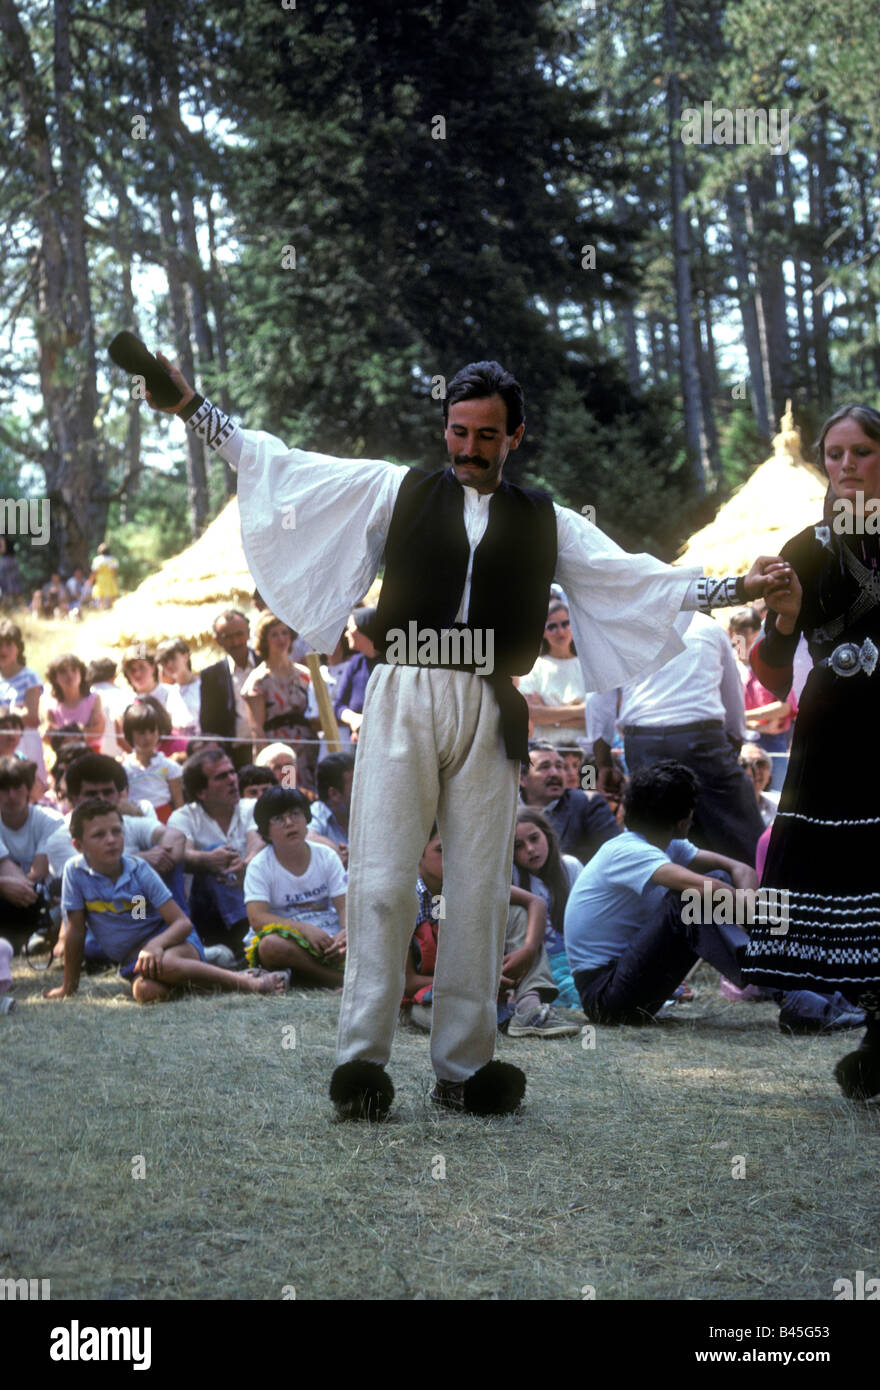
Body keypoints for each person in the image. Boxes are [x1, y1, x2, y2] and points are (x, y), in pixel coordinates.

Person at [146, 352, 790, 1120]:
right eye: (458, 430)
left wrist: (739, 588)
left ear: (515, 436)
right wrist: (192, 407)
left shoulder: (548, 519)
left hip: (490, 703)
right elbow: (275, 464)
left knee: (479, 891)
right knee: (383, 882)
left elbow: (637, 577)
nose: (470, 447)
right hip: (403, 694)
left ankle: (462, 1067)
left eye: (487, 434)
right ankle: (361, 1063)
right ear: (443, 427)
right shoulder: (398, 489)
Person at [743, 403, 880, 1096]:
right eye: (835, 453)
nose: (846, 465)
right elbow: (770, 672)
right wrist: (786, 617)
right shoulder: (803, 550)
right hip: (831, 736)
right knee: (851, 887)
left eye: (861, 451)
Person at [46, 799, 287, 1003]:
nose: (111, 840)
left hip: (174, 943)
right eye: (99, 835)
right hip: (137, 960)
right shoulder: (75, 873)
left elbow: (182, 924)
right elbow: (76, 931)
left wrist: (154, 945)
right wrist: (69, 987)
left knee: (168, 962)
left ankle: (246, 983)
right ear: (78, 845)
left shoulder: (139, 870)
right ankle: (205, 983)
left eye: (116, 831)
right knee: (145, 992)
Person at [589, 610, 764, 865]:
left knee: (654, 838)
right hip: (699, 739)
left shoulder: (619, 625)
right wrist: (731, 746)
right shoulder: (709, 626)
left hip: (646, 742)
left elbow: (599, 700)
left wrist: (603, 763)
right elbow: (733, 698)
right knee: (741, 836)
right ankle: (760, 895)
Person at [404, 826, 579, 1041]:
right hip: (435, 993)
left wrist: (528, 950)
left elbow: (535, 902)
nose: (452, 858)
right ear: (416, 853)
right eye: (442, 850)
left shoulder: (464, 881)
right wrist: (478, 980)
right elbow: (409, 982)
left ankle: (528, 1005)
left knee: (516, 913)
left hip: (479, 981)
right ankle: (500, 1014)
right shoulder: (405, 898)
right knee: (446, 1018)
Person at [242, 785, 347, 985]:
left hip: (328, 932)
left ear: (306, 818)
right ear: (266, 830)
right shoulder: (259, 866)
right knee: (270, 947)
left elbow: (344, 905)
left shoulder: (326, 855)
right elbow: (257, 918)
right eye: (278, 819)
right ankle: (334, 978)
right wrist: (303, 930)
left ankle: (303, 975)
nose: (289, 823)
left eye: (295, 814)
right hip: (288, 935)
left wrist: (346, 932)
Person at [167, 747, 260, 949]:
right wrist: (206, 859)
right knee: (215, 851)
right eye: (221, 777)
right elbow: (179, 852)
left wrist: (247, 863)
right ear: (201, 792)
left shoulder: (250, 807)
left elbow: (257, 839)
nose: (232, 780)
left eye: (232, 772)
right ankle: (247, 942)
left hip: (252, 900)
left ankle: (245, 940)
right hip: (204, 914)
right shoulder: (184, 817)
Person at [513, 807, 583, 1009]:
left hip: (576, 956)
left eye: (534, 838)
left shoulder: (570, 867)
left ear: (548, 835)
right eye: (518, 846)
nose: (530, 849)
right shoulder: (515, 878)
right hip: (541, 963)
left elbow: (588, 918)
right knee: (569, 990)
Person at [241, 611, 320, 792]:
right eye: (274, 634)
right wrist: (265, 765)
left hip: (306, 746)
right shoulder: (258, 680)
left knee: (309, 793)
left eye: (284, 633)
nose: (281, 639)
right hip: (279, 749)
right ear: (264, 640)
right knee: (287, 792)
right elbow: (257, 728)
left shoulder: (304, 674)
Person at [519, 741, 620, 864]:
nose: (555, 773)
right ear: (522, 779)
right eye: (544, 767)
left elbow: (614, 856)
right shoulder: (508, 811)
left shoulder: (588, 804)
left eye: (559, 766)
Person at [517, 599, 587, 746]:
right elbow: (532, 713)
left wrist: (550, 715)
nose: (560, 631)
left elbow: (596, 714)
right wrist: (580, 710)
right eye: (552, 626)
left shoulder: (587, 667)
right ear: (543, 632)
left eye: (565, 623)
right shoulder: (533, 668)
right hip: (547, 749)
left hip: (583, 749)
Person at [199, 610, 258, 770]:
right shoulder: (211, 676)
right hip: (235, 755)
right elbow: (208, 726)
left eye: (239, 634)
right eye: (228, 637)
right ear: (217, 640)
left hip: (270, 750)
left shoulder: (266, 664)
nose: (236, 641)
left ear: (248, 633)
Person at [0, 619, 48, 786]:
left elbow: (31, 717)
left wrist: (5, 714)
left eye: (8, 644)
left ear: (18, 648)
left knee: (29, 785)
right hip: (1, 744)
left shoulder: (30, 677)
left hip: (25, 741)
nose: (3, 650)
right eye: (0, 645)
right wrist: (14, 711)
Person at [333, 608, 382, 745]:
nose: (346, 634)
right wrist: (354, 719)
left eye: (351, 628)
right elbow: (339, 706)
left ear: (365, 630)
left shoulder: (392, 665)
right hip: (359, 744)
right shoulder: (356, 664)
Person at [44, 653, 105, 753]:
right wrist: (82, 733)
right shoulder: (51, 706)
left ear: (81, 673)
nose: (70, 675)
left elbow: (97, 731)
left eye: (74, 670)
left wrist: (64, 737)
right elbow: (48, 738)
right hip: (65, 757)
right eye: (63, 672)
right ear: (55, 678)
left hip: (91, 756)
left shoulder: (94, 699)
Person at [155, 638, 202, 751]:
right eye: (164, 661)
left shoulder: (203, 687)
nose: (169, 664)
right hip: (179, 751)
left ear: (186, 656)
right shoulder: (169, 692)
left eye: (172, 658)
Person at [308, 751, 355, 864]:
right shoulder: (318, 810)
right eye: (355, 785)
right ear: (334, 794)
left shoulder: (366, 811)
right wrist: (338, 853)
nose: (364, 789)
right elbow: (308, 838)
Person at [89, 542, 119, 609]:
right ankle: (111, 608)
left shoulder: (96, 560)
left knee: (100, 595)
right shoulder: (112, 559)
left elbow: (94, 572)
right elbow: (115, 571)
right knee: (111, 594)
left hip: (100, 579)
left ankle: (102, 608)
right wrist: (116, 579)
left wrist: (91, 580)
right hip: (109, 578)